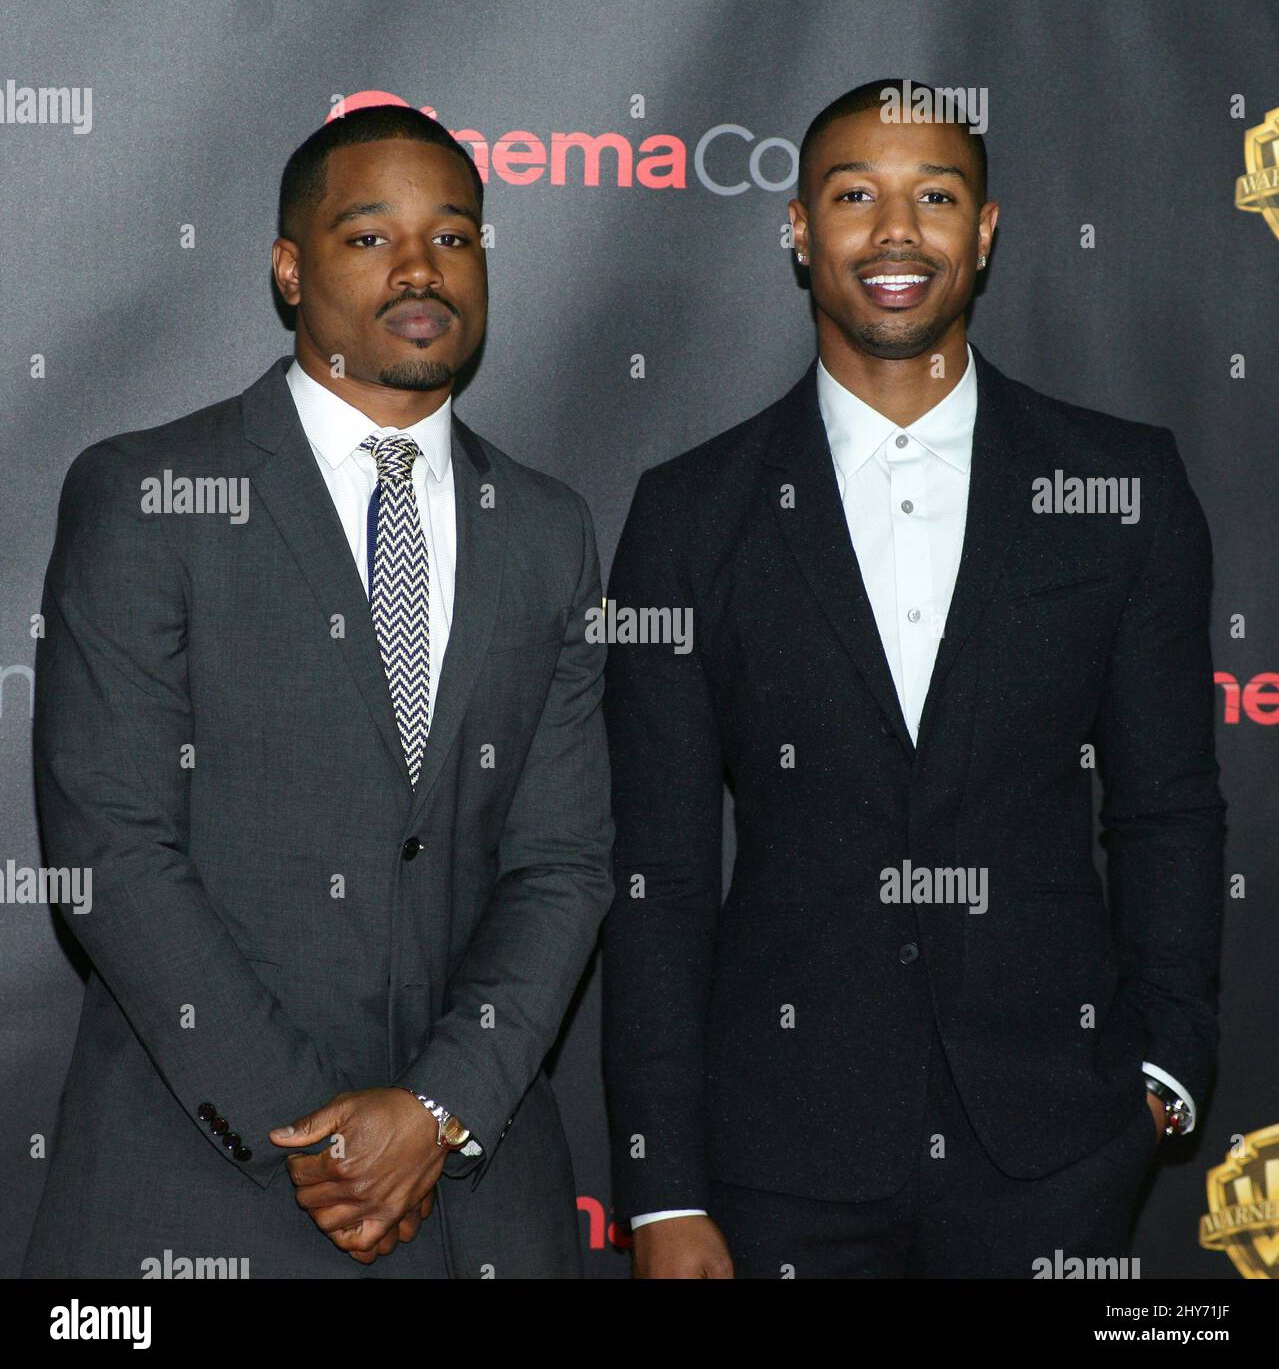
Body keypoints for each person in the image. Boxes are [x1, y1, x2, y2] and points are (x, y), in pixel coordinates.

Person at [602, 78, 1225, 1278]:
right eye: (853, 196)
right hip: (775, 1159)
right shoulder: (689, 516)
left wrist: (1163, 1070)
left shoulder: (1119, 488)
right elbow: (659, 878)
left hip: (1058, 1147)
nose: (896, 231)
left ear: (983, 232)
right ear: (796, 229)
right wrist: (659, 1188)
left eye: (933, 196)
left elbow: (1167, 809)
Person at [24, 104, 612, 1279]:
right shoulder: (150, 495)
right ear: (290, 270)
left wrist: (434, 1112)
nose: (419, 268)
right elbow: (112, 847)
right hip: (197, 1188)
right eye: (367, 236)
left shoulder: (547, 530)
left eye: (454, 237)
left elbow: (563, 864)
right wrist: (329, 1137)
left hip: (474, 1198)